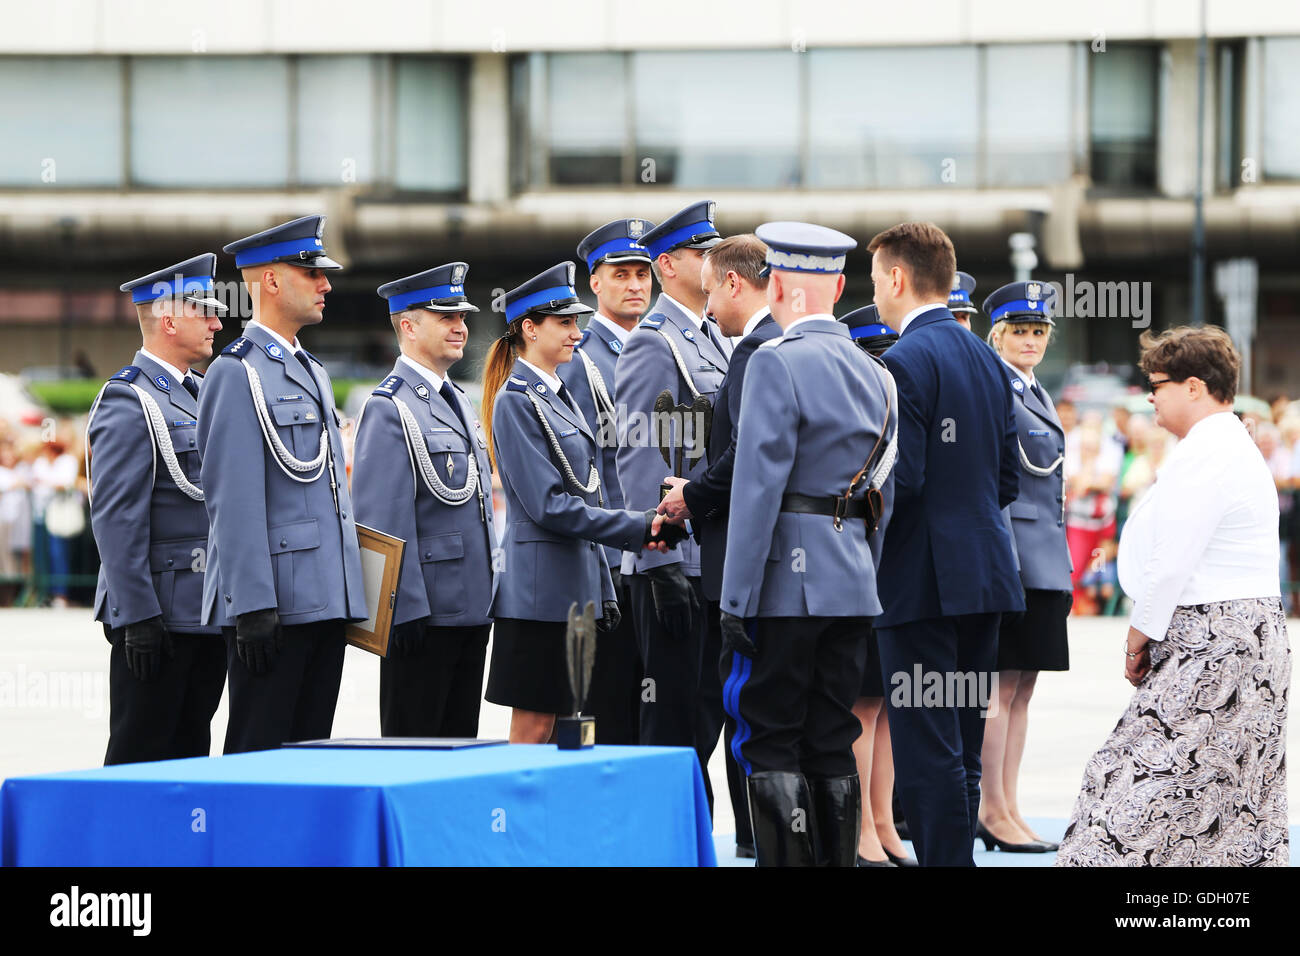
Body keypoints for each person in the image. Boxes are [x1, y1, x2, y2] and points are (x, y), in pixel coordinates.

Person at [1057, 326, 1290, 867]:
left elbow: (1173, 561)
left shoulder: (1210, 450)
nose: (1150, 399)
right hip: (1245, 635)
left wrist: (1136, 638)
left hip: (1216, 637)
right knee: (1232, 797)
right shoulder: (1229, 444)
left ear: (1193, 387)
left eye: (1156, 386)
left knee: (1129, 777)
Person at [710, 222, 895, 867]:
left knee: (770, 738)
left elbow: (757, 489)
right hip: (850, 580)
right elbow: (881, 499)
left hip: (785, 587)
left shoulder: (774, 361)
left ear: (778, 284)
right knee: (832, 737)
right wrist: (862, 569)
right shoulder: (878, 374)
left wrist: (735, 599)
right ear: (841, 287)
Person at [869, 221, 1024, 867]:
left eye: (876, 279)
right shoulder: (988, 357)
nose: (874, 292)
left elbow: (903, 482)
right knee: (960, 747)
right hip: (984, 574)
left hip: (922, 583)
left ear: (899, 279)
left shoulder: (905, 360)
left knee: (928, 750)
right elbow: (1009, 479)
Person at [481, 262, 683, 744]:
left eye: (576, 322)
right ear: (529, 329)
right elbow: (551, 505)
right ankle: (520, 820)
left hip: (570, 588)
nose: (577, 332)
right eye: (565, 323)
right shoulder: (517, 400)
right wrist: (640, 526)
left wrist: (604, 591)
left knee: (571, 727)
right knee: (534, 728)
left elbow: (585, 491)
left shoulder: (558, 395)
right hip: (537, 597)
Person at [199, 215, 368, 754]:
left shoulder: (311, 369)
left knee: (310, 753)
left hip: (323, 599)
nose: (326, 285)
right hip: (275, 604)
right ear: (270, 281)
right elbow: (234, 499)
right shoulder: (236, 372)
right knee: (260, 751)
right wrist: (250, 604)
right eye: (311, 273)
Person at [657, 233, 777, 860]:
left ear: (734, 283)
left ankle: (764, 842)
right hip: (762, 561)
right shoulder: (776, 343)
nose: (706, 307)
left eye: (710, 293)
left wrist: (688, 495)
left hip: (740, 563)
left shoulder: (759, 350)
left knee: (742, 710)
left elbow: (744, 452)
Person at [87, 253, 227, 764]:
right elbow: (116, 519)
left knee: (190, 752)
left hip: (204, 611)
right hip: (159, 615)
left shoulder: (200, 395)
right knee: (139, 754)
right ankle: (120, 848)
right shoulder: (129, 400)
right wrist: (138, 614)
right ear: (169, 320)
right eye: (204, 311)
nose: (217, 321)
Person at [351, 263, 497, 738]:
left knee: (458, 747)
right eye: (445, 316)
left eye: (462, 316)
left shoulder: (455, 398)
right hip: (424, 614)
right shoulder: (390, 406)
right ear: (408, 326)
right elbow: (380, 519)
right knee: (416, 746)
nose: (461, 327)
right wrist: (401, 610)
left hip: (469, 608)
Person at [615, 200, 730, 802]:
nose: (713, 263)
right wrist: (657, 557)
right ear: (668, 266)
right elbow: (638, 455)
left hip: (712, 558)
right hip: (677, 559)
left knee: (706, 714)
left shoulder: (711, 337)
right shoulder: (654, 343)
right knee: (673, 719)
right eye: (701, 253)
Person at [976, 281, 1073, 853]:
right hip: (1014, 560)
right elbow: (997, 486)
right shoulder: (998, 389)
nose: (1031, 340)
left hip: (1044, 565)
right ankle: (993, 809)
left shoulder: (1035, 389)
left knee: (1023, 690)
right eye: (1020, 330)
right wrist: (1004, 564)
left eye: (1038, 331)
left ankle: (1008, 804)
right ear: (999, 334)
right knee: (998, 690)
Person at [556, 218, 655, 745]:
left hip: (653, 551)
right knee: (607, 710)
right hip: (609, 561)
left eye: (643, 272)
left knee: (654, 712)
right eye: (621, 274)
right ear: (594, 282)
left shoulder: (660, 346)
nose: (635, 284)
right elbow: (573, 466)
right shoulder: (579, 355)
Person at [836, 304, 914, 867]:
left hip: (896, 565)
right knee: (864, 706)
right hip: (861, 563)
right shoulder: (853, 409)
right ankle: (862, 827)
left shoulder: (896, 406)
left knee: (886, 704)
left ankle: (883, 821)